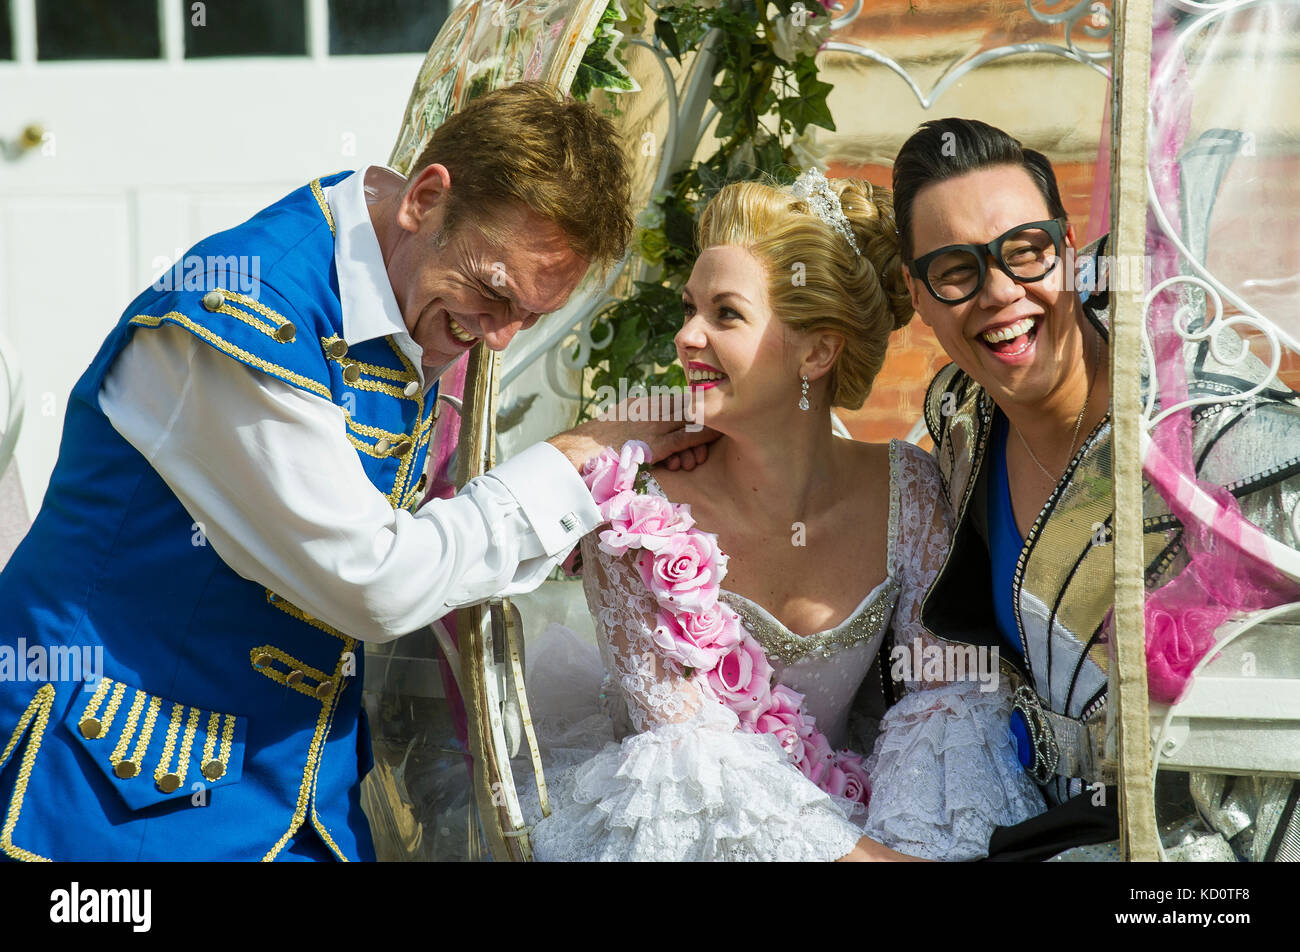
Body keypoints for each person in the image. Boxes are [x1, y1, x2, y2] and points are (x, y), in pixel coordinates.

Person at [0, 82, 712, 862]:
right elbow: (371, 580)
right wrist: (569, 464)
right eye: (494, 292)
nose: (500, 338)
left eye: (530, 318)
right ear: (426, 199)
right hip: (114, 799)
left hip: (295, 805)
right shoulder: (243, 308)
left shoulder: (407, 286)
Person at [518, 172, 1046, 861]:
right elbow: (695, 770)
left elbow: (939, 705)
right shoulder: (634, 511)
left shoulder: (909, 492)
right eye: (689, 309)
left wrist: (917, 847)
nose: (686, 337)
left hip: (859, 820)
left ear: (818, 351)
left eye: (724, 314)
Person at [894, 117, 1300, 860]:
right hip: (1047, 829)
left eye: (1025, 251)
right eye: (956, 270)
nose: (999, 291)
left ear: (1068, 250)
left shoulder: (1203, 428)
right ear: (915, 293)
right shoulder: (960, 420)